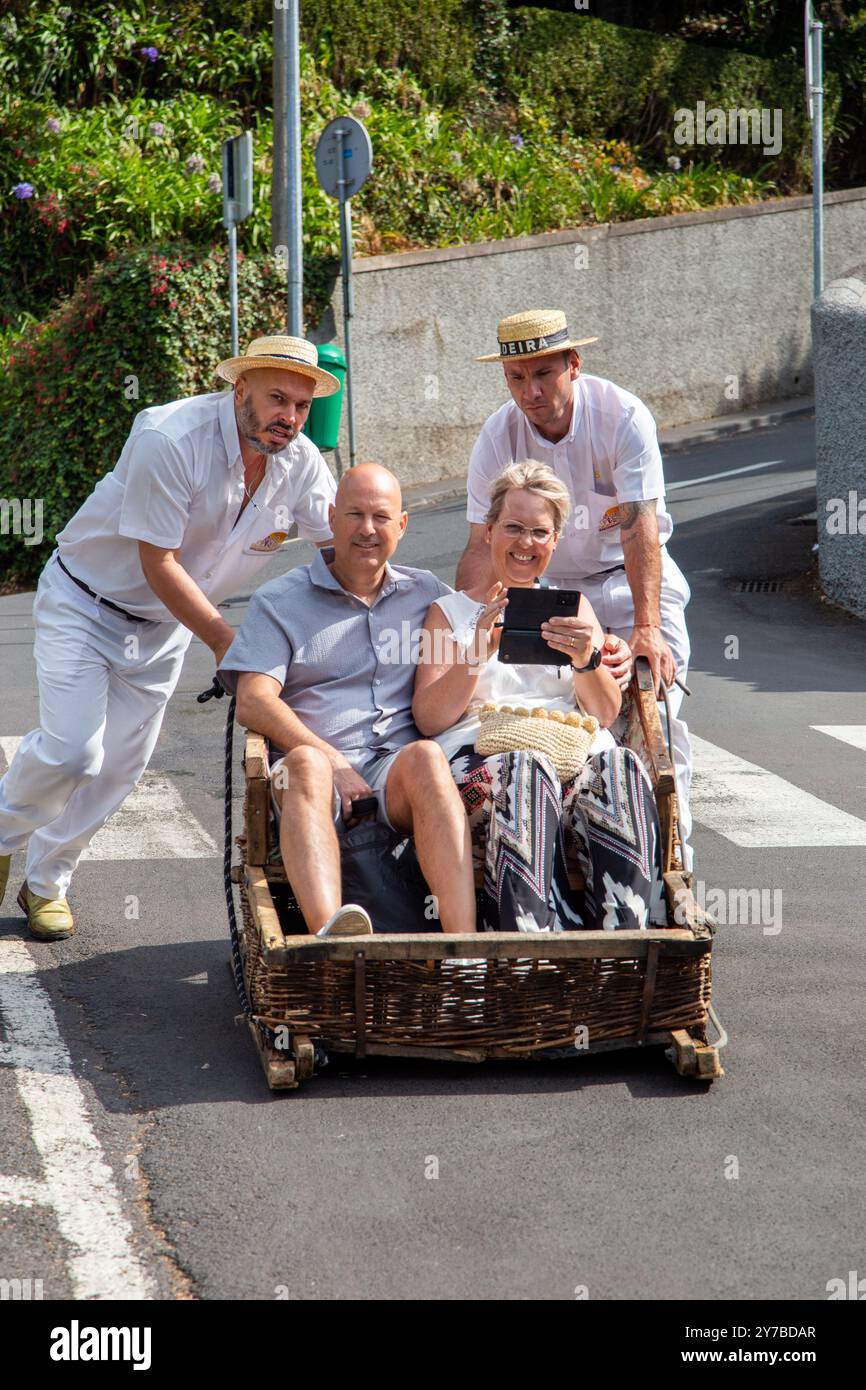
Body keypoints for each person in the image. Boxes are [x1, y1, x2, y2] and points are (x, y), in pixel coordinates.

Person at [0, 335, 340, 940]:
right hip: (85, 603)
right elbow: (159, 562)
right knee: (74, 752)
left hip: (163, 627)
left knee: (118, 769)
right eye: (277, 399)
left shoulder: (302, 462)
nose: (289, 417)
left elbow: (338, 549)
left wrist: (382, 611)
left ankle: (46, 882)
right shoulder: (169, 437)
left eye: (301, 405)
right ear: (240, 389)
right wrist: (226, 642)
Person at [457, 309, 693, 868]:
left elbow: (639, 525)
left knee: (652, 716)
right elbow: (481, 544)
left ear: (573, 364)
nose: (531, 392)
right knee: (555, 713)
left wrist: (645, 627)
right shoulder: (497, 434)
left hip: (630, 580)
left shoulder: (623, 415)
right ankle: (570, 856)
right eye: (516, 378)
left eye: (544, 374)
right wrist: (466, 627)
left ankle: (673, 868)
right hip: (550, 584)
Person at [218, 463, 477, 938]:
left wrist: (600, 652)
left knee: (426, 756)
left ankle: (465, 949)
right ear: (331, 518)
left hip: (394, 775)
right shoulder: (280, 601)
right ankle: (332, 939)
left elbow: (487, 638)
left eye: (381, 517)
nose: (367, 529)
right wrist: (332, 760)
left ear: (402, 525)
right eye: (355, 515)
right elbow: (253, 701)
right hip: (310, 779)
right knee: (306, 764)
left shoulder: (428, 595)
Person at [414, 460, 666, 933]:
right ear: (490, 531)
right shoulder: (450, 613)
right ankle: (528, 942)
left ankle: (624, 939)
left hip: (573, 755)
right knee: (528, 772)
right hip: (486, 762)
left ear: (554, 541)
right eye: (513, 527)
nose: (525, 542)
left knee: (623, 767)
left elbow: (605, 713)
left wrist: (586, 659)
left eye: (539, 532)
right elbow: (429, 718)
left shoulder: (574, 609)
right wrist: (477, 652)